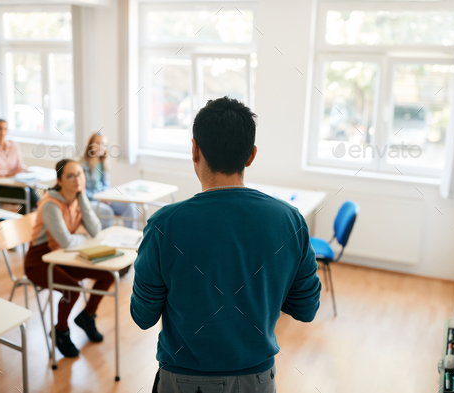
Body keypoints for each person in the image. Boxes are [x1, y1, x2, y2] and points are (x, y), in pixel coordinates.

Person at [130, 96, 322, 393]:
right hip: (257, 380)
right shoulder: (289, 221)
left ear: (194, 149)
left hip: (183, 380)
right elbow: (306, 308)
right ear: (251, 155)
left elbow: (143, 316)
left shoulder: (164, 225)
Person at [24, 158, 114, 358]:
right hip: (39, 262)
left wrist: (82, 199)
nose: (76, 180)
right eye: (70, 176)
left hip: (64, 258)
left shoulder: (77, 199)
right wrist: (81, 237)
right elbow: (66, 241)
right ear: (59, 180)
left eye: (79, 174)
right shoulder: (50, 204)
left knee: (107, 275)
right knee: (71, 289)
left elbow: (96, 230)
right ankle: (61, 331)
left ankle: (87, 316)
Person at [0, 118, 39, 213]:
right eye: (0, 128)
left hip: (15, 184)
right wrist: (9, 173)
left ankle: (27, 218)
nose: (3, 132)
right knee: (27, 194)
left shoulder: (13, 145)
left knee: (29, 191)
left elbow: (19, 165)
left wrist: (25, 170)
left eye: (5, 129)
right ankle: (40, 210)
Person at [81, 132, 138, 229]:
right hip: (90, 200)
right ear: (91, 145)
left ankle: (131, 236)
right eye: (97, 143)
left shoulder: (104, 164)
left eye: (104, 144)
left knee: (129, 205)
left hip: (103, 198)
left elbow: (106, 185)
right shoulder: (82, 166)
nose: (101, 147)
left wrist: (106, 197)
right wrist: (99, 198)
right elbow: (81, 192)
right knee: (107, 211)